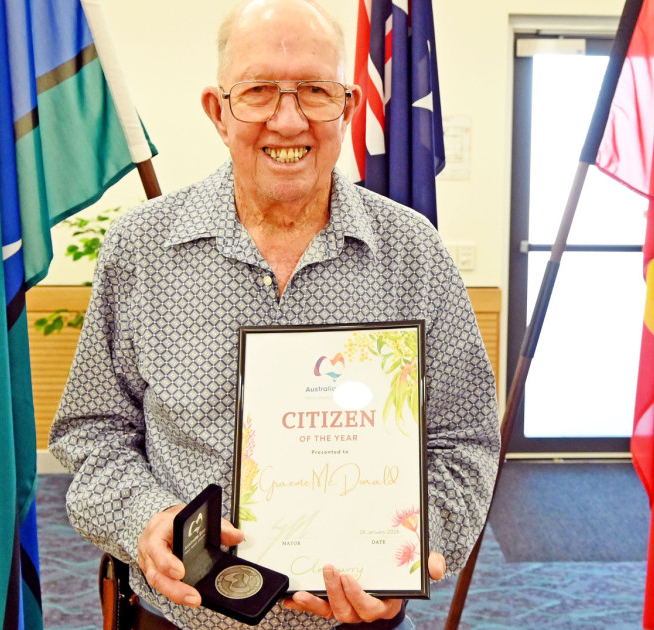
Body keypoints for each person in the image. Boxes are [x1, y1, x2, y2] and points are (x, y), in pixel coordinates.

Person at [49, 1, 500, 627]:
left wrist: (415, 552)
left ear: (346, 108)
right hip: (178, 619)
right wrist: (145, 520)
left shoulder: (412, 252)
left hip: (354, 621)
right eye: (259, 90)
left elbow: (464, 439)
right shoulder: (142, 249)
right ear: (218, 110)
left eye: (315, 91)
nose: (288, 122)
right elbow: (92, 433)